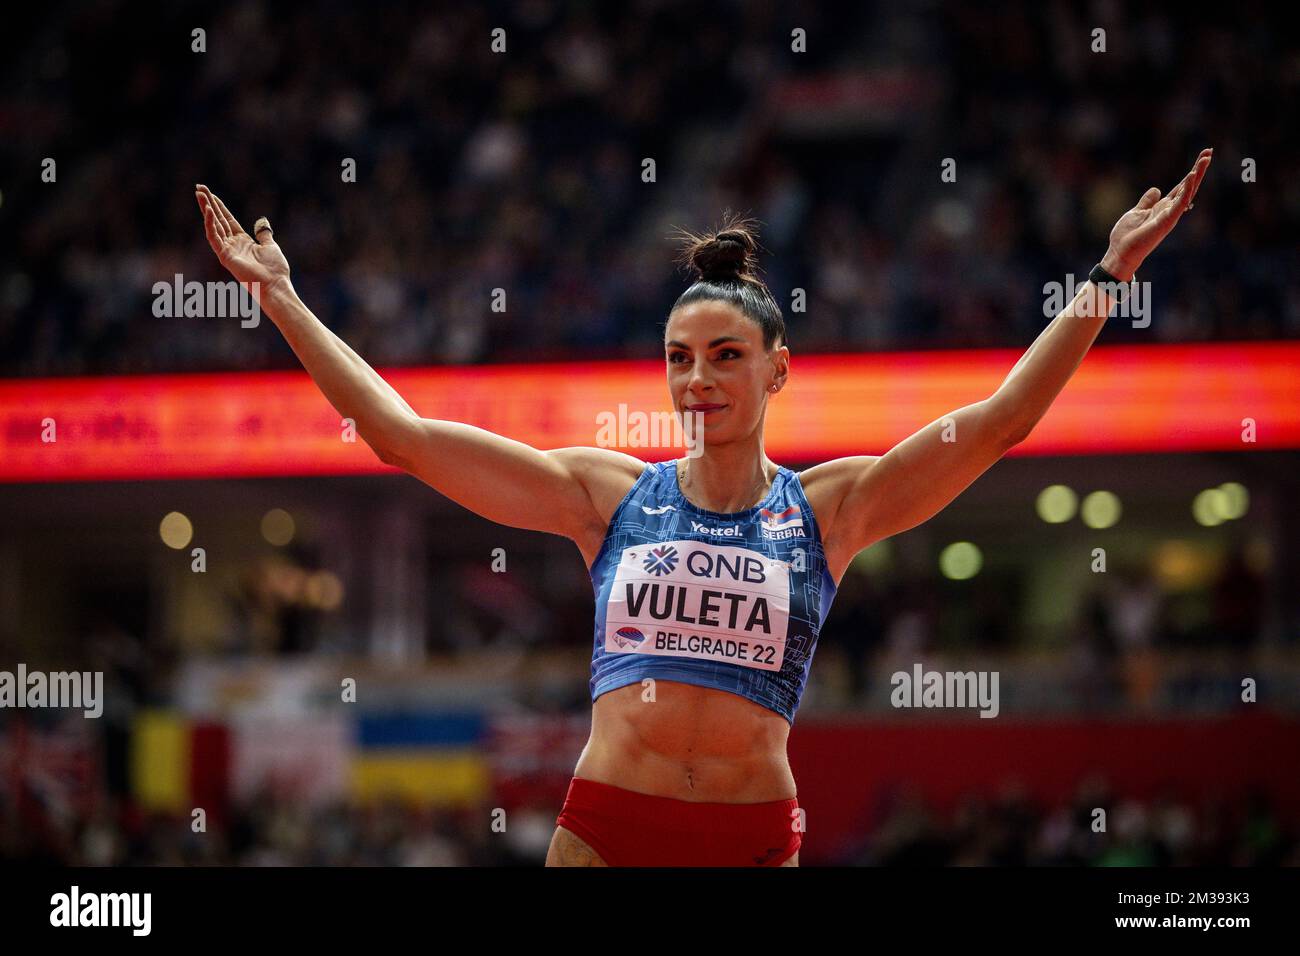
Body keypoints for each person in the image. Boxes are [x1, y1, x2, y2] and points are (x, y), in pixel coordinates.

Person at [194, 148, 1211, 866]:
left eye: (726, 356)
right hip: (604, 825)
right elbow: (401, 439)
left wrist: (1107, 273)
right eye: (680, 358)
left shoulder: (832, 508)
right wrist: (281, 296)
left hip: (749, 832)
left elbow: (998, 423)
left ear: (778, 370)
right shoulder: (606, 496)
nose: (699, 378)